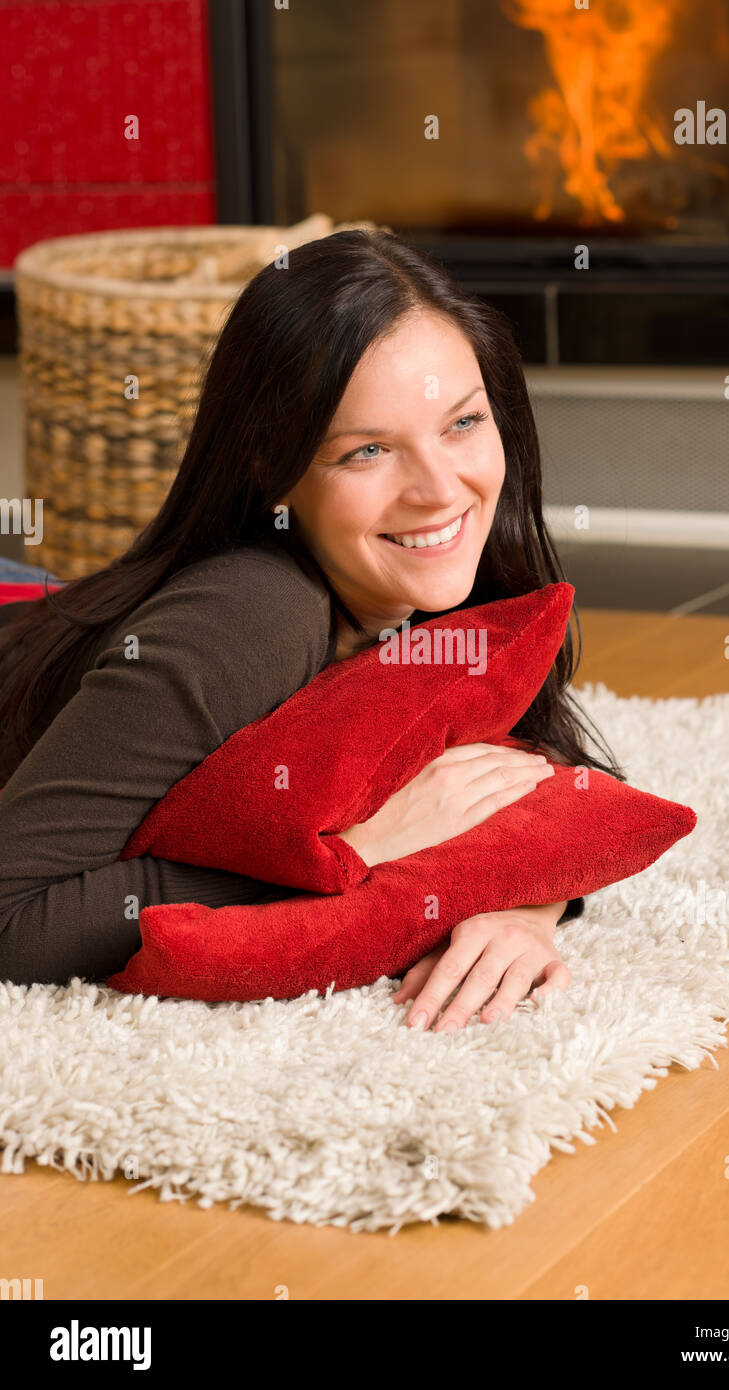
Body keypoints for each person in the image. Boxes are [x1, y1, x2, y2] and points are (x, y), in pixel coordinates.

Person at [0, 228, 623, 1031]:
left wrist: (524, 903)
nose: (441, 489)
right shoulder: (251, 620)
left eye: (462, 423)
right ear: (275, 471)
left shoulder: (446, 604)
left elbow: (549, 771)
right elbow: (11, 916)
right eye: (367, 451)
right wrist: (352, 854)